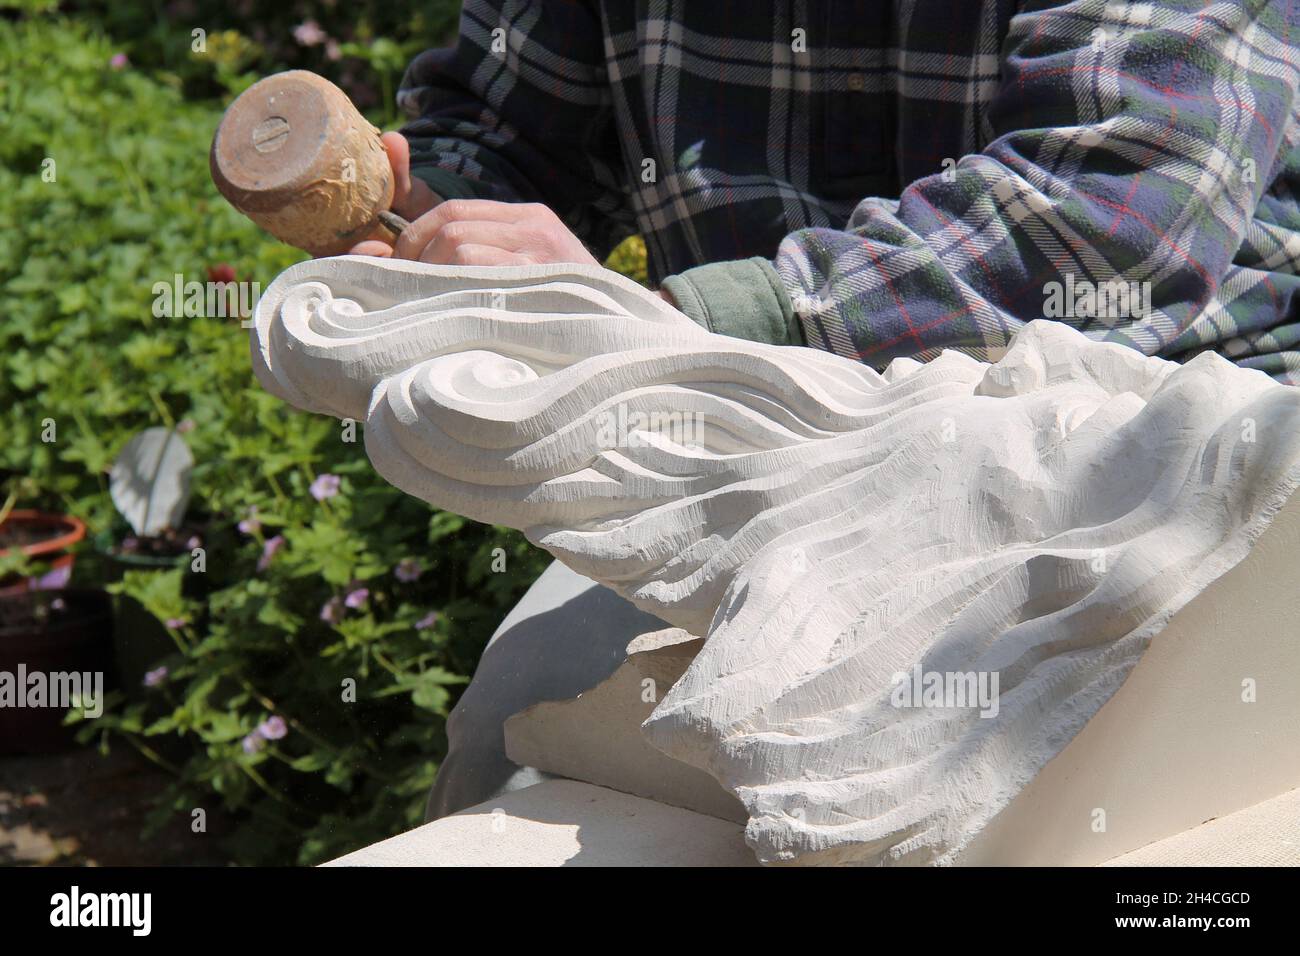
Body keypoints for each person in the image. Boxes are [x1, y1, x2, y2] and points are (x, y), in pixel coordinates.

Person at [347, 0, 1300, 819]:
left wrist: (664, 321)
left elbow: (1108, 224)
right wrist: (437, 211)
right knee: (516, 735)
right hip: (753, 448)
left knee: (1017, 792)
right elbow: (509, 129)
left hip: (1147, 442)